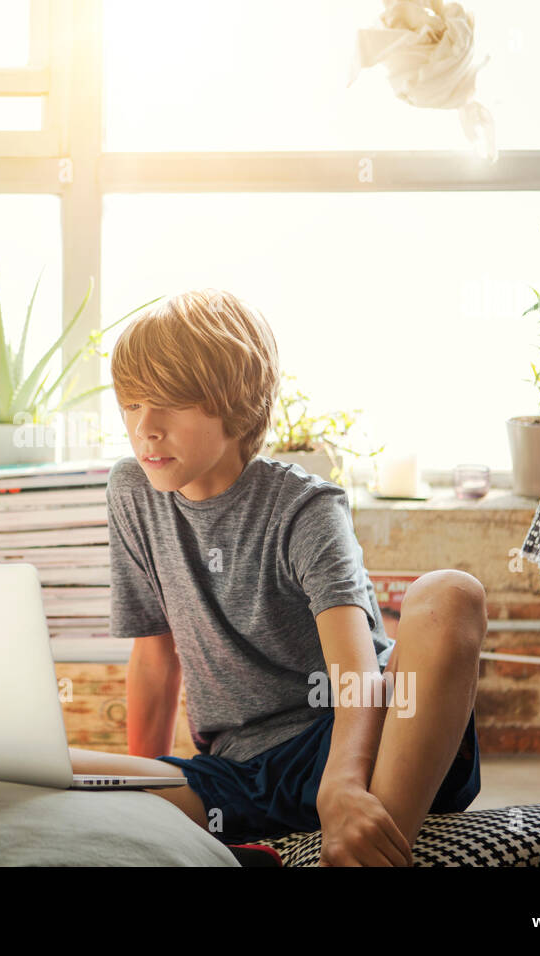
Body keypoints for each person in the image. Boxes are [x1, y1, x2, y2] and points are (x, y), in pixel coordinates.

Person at [68, 288, 484, 866]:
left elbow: (356, 674)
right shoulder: (132, 491)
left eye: (171, 403)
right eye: (132, 405)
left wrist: (342, 783)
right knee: (49, 769)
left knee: (450, 592)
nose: (146, 428)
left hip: (363, 741)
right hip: (237, 773)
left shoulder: (305, 507)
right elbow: (156, 659)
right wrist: (149, 790)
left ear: (236, 406)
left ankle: (362, 836)